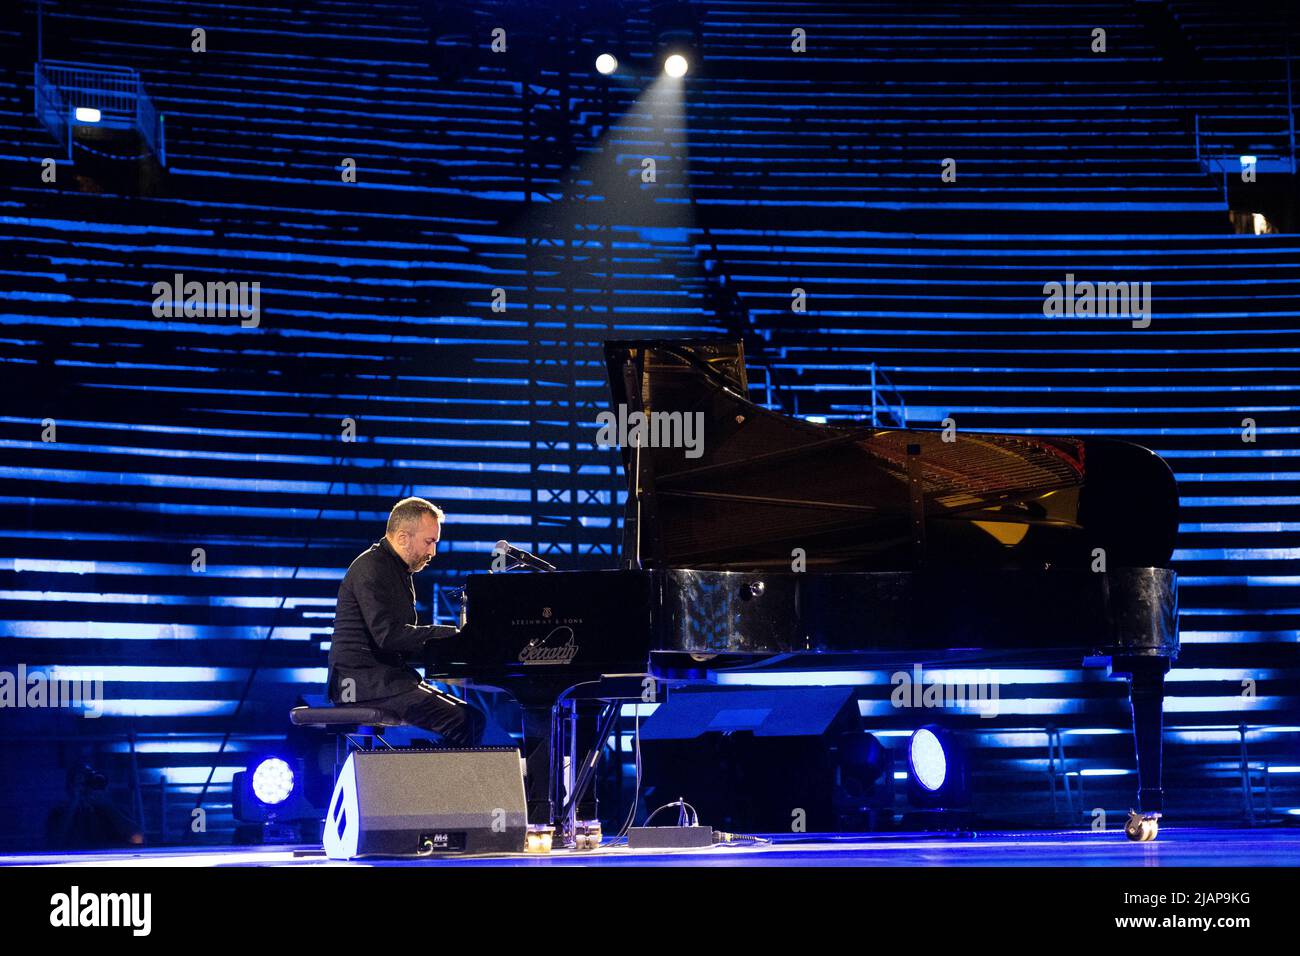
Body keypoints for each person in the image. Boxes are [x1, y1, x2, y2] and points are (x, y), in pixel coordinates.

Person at [327, 497, 485, 745]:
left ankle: (436, 778)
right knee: (464, 721)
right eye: (429, 542)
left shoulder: (394, 569)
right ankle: (437, 782)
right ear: (402, 537)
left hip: (382, 680)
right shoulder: (372, 568)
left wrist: (453, 652)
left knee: (472, 719)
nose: (433, 552)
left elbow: (402, 640)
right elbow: (389, 636)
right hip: (361, 685)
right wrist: (450, 635)